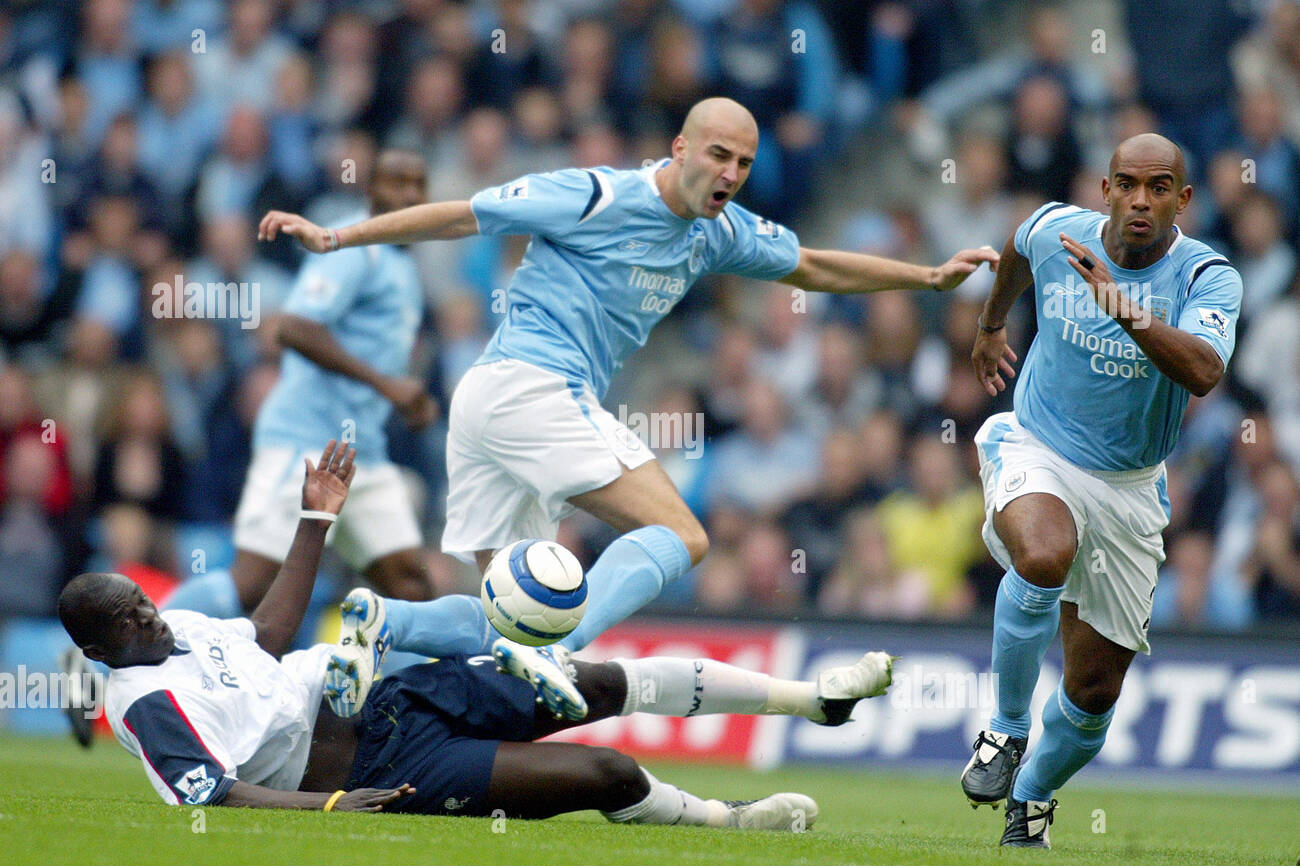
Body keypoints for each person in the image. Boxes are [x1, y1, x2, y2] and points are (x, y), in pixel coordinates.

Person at [257, 97, 996, 719]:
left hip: (491, 404)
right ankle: (556, 651)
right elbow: (462, 215)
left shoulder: (719, 231)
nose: (730, 175)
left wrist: (927, 276)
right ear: (679, 148)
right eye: (717, 155)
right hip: (530, 388)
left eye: (742, 163)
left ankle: (383, 623)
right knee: (681, 534)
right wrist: (340, 235)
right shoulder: (596, 195)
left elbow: (812, 264)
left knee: (504, 613)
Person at [57, 442, 896, 826]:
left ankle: (811, 701)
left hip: (394, 696)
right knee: (606, 772)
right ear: (100, 651)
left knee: (597, 679)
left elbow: (271, 634)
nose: (149, 613)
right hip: (384, 765)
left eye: (141, 598)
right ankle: (726, 822)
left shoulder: (188, 624)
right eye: (129, 618)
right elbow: (213, 793)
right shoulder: (144, 701)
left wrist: (316, 516)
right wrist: (334, 804)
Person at [964, 134, 1242, 847]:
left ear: (1183, 199)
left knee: (1094, 694)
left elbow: (1205, 371)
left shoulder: (1208, 277)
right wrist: (992, 322)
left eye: (1157, 187)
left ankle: (1030, 800)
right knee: (1043, 554)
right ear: (1105, 189)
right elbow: (1017, 247)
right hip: (1038, 445)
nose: (1140, 200)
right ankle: (1005, 729)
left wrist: (1127, 310)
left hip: (1128, 487)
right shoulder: (1059, 233)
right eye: (1127, 184)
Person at [164, 150, 439, 620]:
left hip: (361, 454)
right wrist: (388, 386)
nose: (409, 195)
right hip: (305, 443)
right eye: (396, 183)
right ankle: (123, 647)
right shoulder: (354, 249)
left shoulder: (403, 264)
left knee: (411, 586)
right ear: (370, 188)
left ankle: (414, 693)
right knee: (252, 584)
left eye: (418, 184)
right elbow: (292, 327)